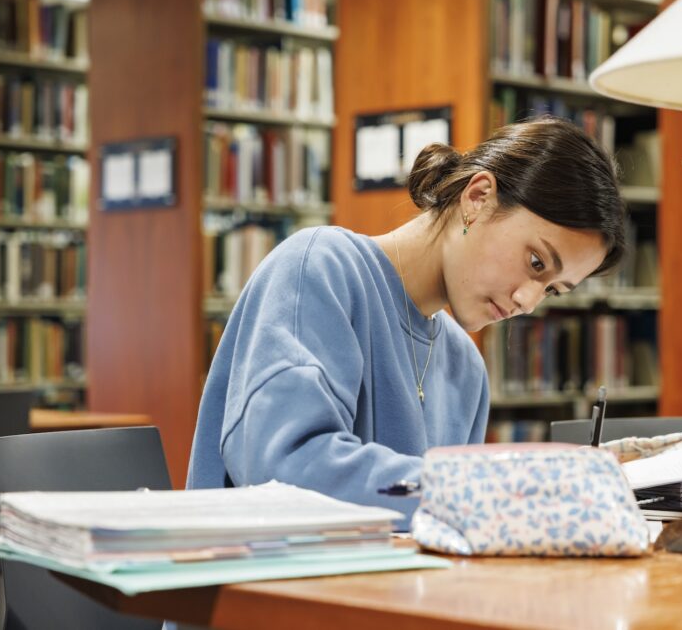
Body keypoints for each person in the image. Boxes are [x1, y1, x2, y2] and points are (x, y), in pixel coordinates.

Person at [186, 116, 627, 525]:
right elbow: (284, 469)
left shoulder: (465, 369)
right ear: (477, 198)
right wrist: (489, 490)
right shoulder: (319, 268)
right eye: (535, 263)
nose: (528, 302)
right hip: (263, 602)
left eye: (552, 290)